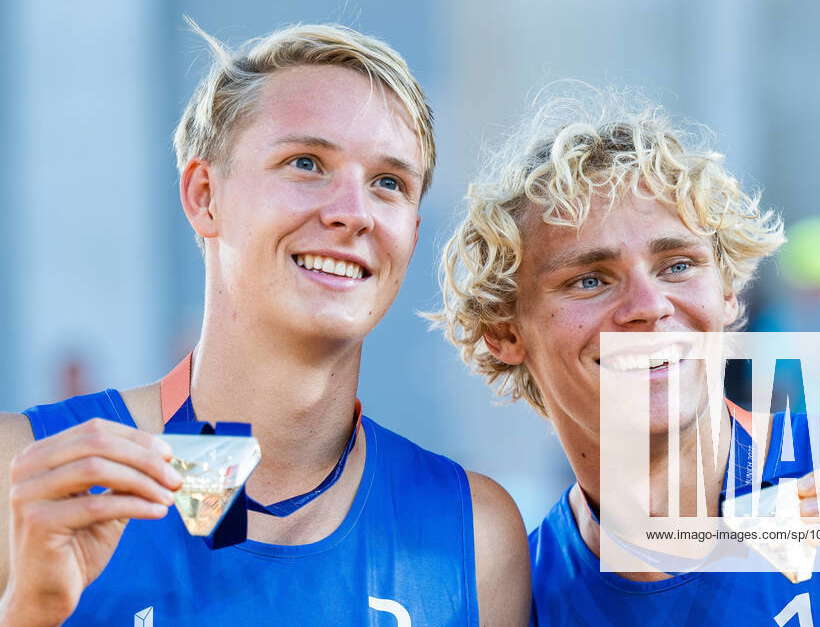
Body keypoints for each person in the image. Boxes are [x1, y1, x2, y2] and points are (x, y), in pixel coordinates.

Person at [0, 22, 530, 626]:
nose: (353, 214)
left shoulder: (473, 533)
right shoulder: (20, 474)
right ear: (205, 196)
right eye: (306, 163)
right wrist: (32, 610)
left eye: (389, 183)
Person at [431, 88, 820, 625]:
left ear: (728, 293)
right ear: (504, 332)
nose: (649, 307)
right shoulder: (511, 597)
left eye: (678, 265)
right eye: (589, 279)